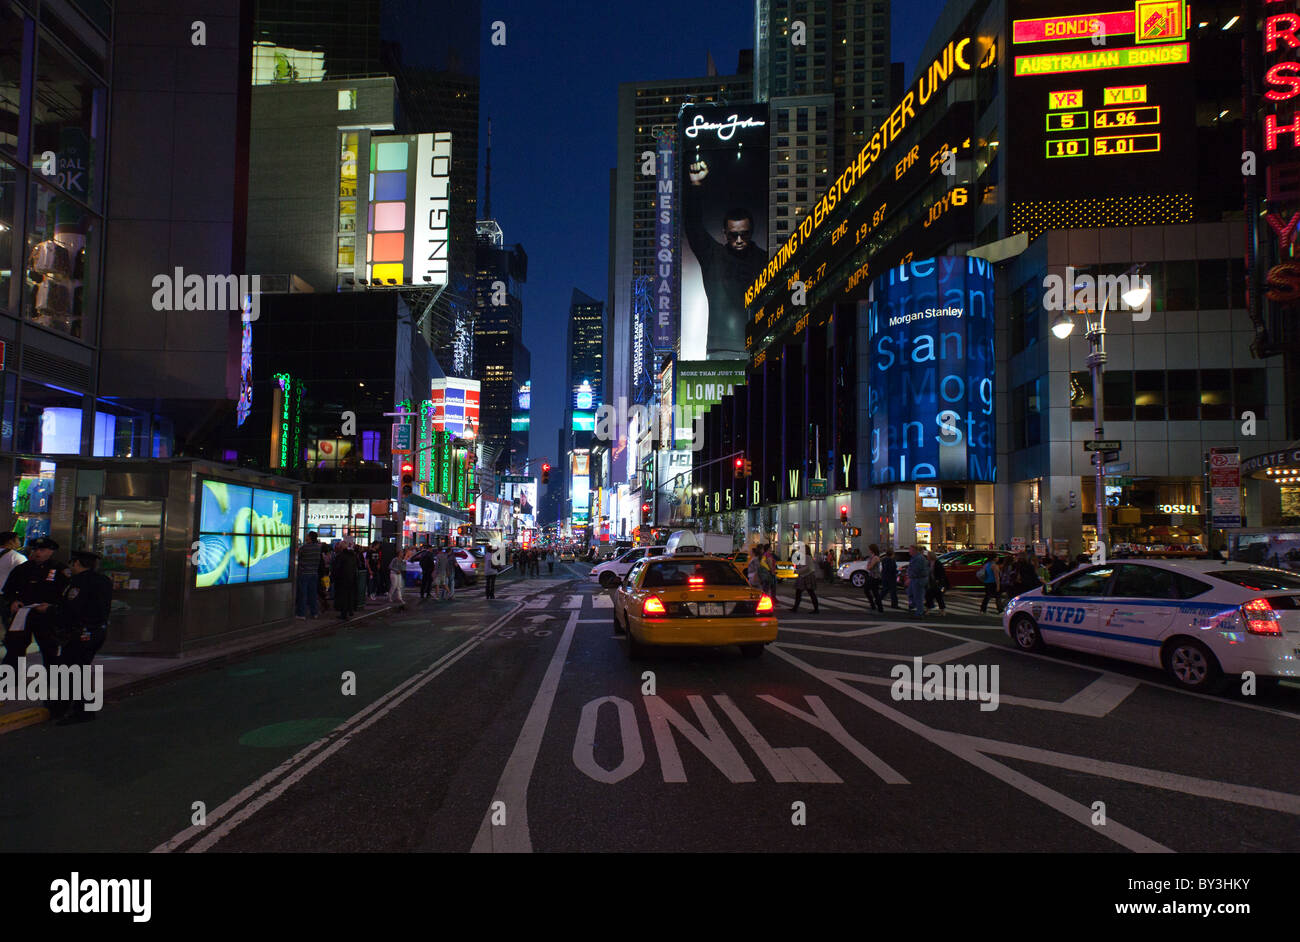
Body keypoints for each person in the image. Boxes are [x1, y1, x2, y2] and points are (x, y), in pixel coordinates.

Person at [684, 157, 769, 359]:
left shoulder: (765, 261)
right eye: (733, 235)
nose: (739, 240)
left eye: (744, 234)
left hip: (757, 346)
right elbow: (693, 225)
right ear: (725, 233)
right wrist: (696, 185)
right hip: (719, 348)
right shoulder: (712, 255)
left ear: (751, 232)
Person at [39, 549, 112, 724]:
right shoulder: (103, 580)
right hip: (97, 631)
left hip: (80, 632)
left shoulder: (78, 583)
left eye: (73, 563)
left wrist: (49, 610)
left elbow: (72, 609)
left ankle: (77, 710)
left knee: (72, 670)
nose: (71, 567)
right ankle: (78, 708)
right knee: (79, 669)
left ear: (77, 563)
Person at [2, 537, 68, 669]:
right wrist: (13, 601)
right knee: (15, 646)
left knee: (49, 647)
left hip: (46, 614)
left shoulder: (60, 570)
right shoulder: (22, 569)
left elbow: (66, 594)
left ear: (51, 551)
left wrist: (53, 607)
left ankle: (53, 677)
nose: (38, 553)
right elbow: (8, 590)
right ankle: (10, 676)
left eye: (42, 550)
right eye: (35, 549)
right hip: (23, 613)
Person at [295, 531, 322, 620]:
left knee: (303, 594)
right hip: (314, 573)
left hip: (304, 573)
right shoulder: (318, 548)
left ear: (310, 538)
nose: (306, 537)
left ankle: (301, 614)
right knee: (313, 594)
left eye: (307, 536)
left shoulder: (304, 547)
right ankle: (314, 613)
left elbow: (297, 557)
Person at [331, 541, 359, 620]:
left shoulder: (340, 556)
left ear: (341, 547)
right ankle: (350, 610)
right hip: (351, 578)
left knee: (343, 597)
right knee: (350, 595)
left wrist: (333, 577)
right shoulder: (353, 555)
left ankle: (344, 613)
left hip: (342, 579)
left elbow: (337, 569)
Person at [791, 547, 820, 613]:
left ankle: (816, 609)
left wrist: (798, 571)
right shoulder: (805, 557)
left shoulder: (807, 557)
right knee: (805, 592)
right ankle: (795, 607)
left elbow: (808, 567)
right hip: (805, 575)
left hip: (806, 576)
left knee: (808, 592)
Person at [905, 545, 930, 618]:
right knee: (911, 593)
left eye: (910, 549)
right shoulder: (916, 558)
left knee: (918, 596)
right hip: (916, 579)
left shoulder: (918, 558)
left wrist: (909, 577)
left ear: (914, 550)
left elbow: (916, 570)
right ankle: (916, 606)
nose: (909, 551)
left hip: (918, 579)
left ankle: (919, 612)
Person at [863, 544, 885, 613]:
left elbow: (870, 567)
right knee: (874, 592)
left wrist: (869, 565)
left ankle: (875, 606)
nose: (869, 550)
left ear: (872, 550)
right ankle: (877, 607)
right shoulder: (872, 557)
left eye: (869, 549)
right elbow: (868, 566)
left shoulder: (875, 557)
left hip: (874, 577)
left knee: (869, 590)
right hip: (873, 576)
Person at [925, 550, 948, 615]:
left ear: (931, 556)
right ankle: (941, 610)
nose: (927, 557)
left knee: (935, 596)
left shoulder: (938, 563)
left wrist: (938, 580)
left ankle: (929, 610)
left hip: (936, 582)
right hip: (931, 582)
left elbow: (941, 573)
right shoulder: (929, 563)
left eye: (928, 555)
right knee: (932, 596)